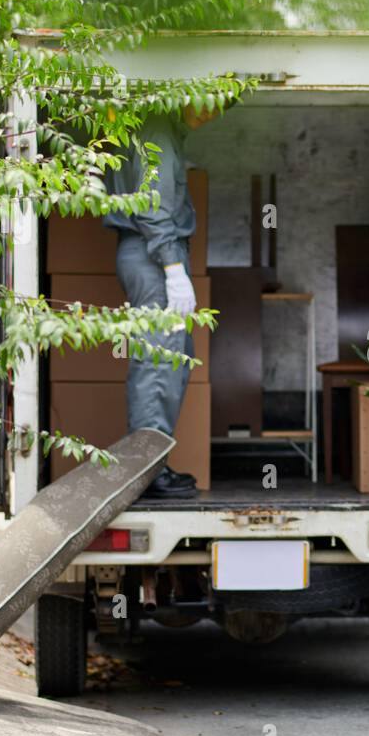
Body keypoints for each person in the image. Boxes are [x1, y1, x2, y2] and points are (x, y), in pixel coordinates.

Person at [103, 105, 215, 498]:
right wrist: (172, 268)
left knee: (172, 356)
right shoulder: (158, 130)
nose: (213, 113)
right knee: (158, 360)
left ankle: (153, 463)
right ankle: (145, 471)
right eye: (211, 101)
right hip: (152, 256)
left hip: (151, 253)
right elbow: (152, 206)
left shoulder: (161, 131)